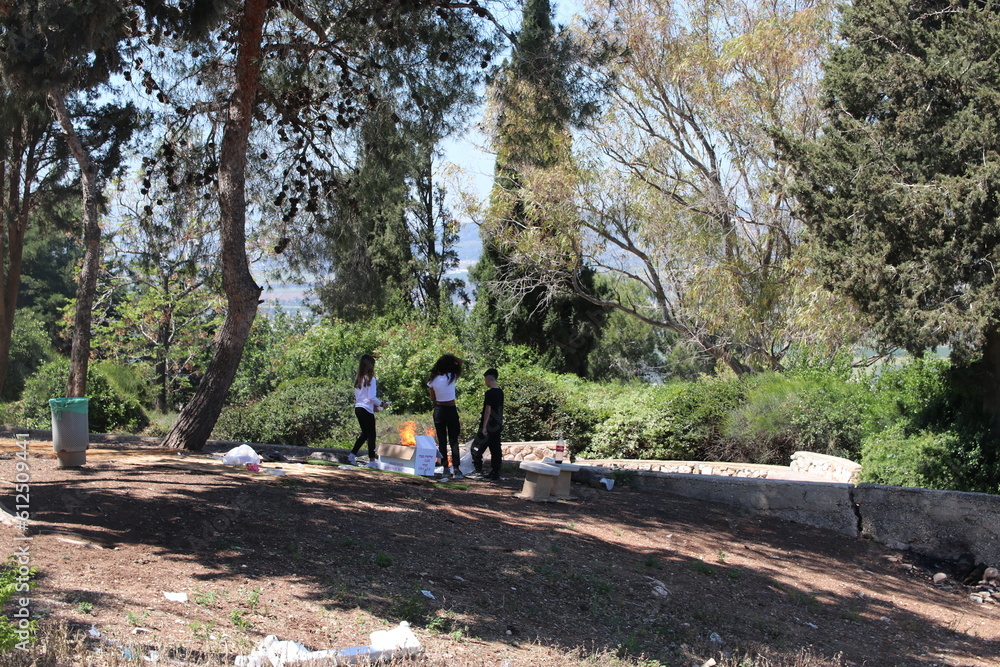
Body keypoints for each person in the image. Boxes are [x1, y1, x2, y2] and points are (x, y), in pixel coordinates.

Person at [427, 354, 463, 480]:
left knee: (442, 440)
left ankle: (445, 468)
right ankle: (457, 468)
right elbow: (460, 362)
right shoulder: (451, 376)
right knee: (454, 440)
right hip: (451, 409)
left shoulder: (433, 379)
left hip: (439, 409)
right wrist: (452, 357)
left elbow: (433, 398)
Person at [350, 354, 388, 467]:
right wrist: (382, 404)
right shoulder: (371, 379)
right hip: (366, 409)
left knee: (365, 434)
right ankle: (372, 461)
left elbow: (362, 397)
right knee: (371, 435)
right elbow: (371, 397)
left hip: (359, 408)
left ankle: (352, 455)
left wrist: (374, 407)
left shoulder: (358, 379)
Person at [470, 368, 504, 480]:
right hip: (497, 425)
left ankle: (477, 470)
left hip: (489, 425)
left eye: (485, 380)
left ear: (489, 379)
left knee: (476, 447)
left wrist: (484, 427)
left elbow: (488, 410)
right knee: (495, 449)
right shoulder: (500, 392)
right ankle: (495, 472)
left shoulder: (489, 393)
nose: (485, 382)